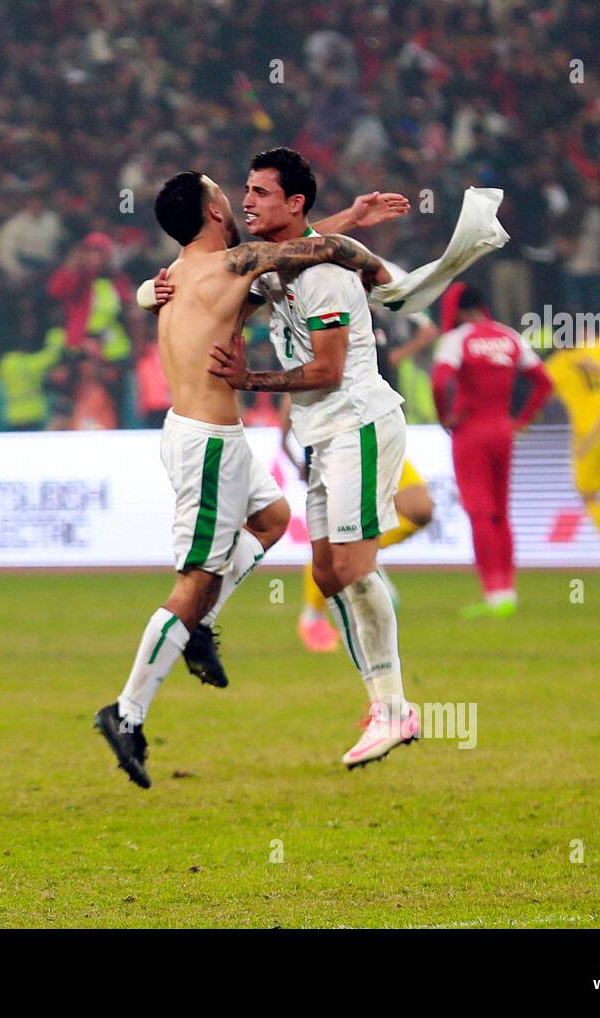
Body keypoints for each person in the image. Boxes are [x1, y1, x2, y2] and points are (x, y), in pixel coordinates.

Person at [93, 169, 390, 789]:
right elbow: (314, 250)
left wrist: (346, 221)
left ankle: (196, 629)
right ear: (211, 211)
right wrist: (371, 260)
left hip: (201, 432)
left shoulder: (193, 274)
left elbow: (290, 252)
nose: (235, 198)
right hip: (208, 445)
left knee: (272, 520)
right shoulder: (234, 264)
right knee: (195, 580)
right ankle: (126, 710)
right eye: (224, 193)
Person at [207, 147, 420, 769]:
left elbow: (326, 369)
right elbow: (309, 241)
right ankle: (385, 704)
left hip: (359, 422)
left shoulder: (325, 276)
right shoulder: (290, 261)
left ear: (294, 203)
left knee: (351, 567)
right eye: (244, 190)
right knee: (327, 574)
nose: (245, 201)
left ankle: (391, 708)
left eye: (259, 192)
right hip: (324, 435)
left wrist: (250, 380)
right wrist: (350, 217)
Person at [432, 285, 553, 618]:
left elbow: (440, 382)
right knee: (501, 512)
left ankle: (493, 593)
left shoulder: (457, 340)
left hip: (470, 431)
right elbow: (544, 381)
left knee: (480, 512)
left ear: (456, 311)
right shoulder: (509, 336)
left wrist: (445, 417)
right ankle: (508, 593)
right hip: (503, 429)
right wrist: (521, 420)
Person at [545, 331, 600, 569]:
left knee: (587, 493)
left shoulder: (556, 365)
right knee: (591, 485)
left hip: (589, 435)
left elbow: (541, 394)